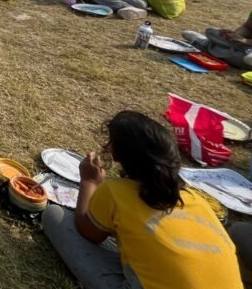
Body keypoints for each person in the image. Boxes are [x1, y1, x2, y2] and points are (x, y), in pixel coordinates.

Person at [42, 110, 241, 289]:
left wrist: (89, 181)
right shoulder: (197, 200)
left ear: (118, 154)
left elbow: (88, 232)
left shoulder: (115, 191)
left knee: (54, 215)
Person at [182, 11, 252, 69]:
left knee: (243, 58)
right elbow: (247, 28)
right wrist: (234, 36)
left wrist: (246, 41)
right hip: (244, 47)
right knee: (211, 32)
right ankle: (217, 47)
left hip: (248, 52)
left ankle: (207, 44)